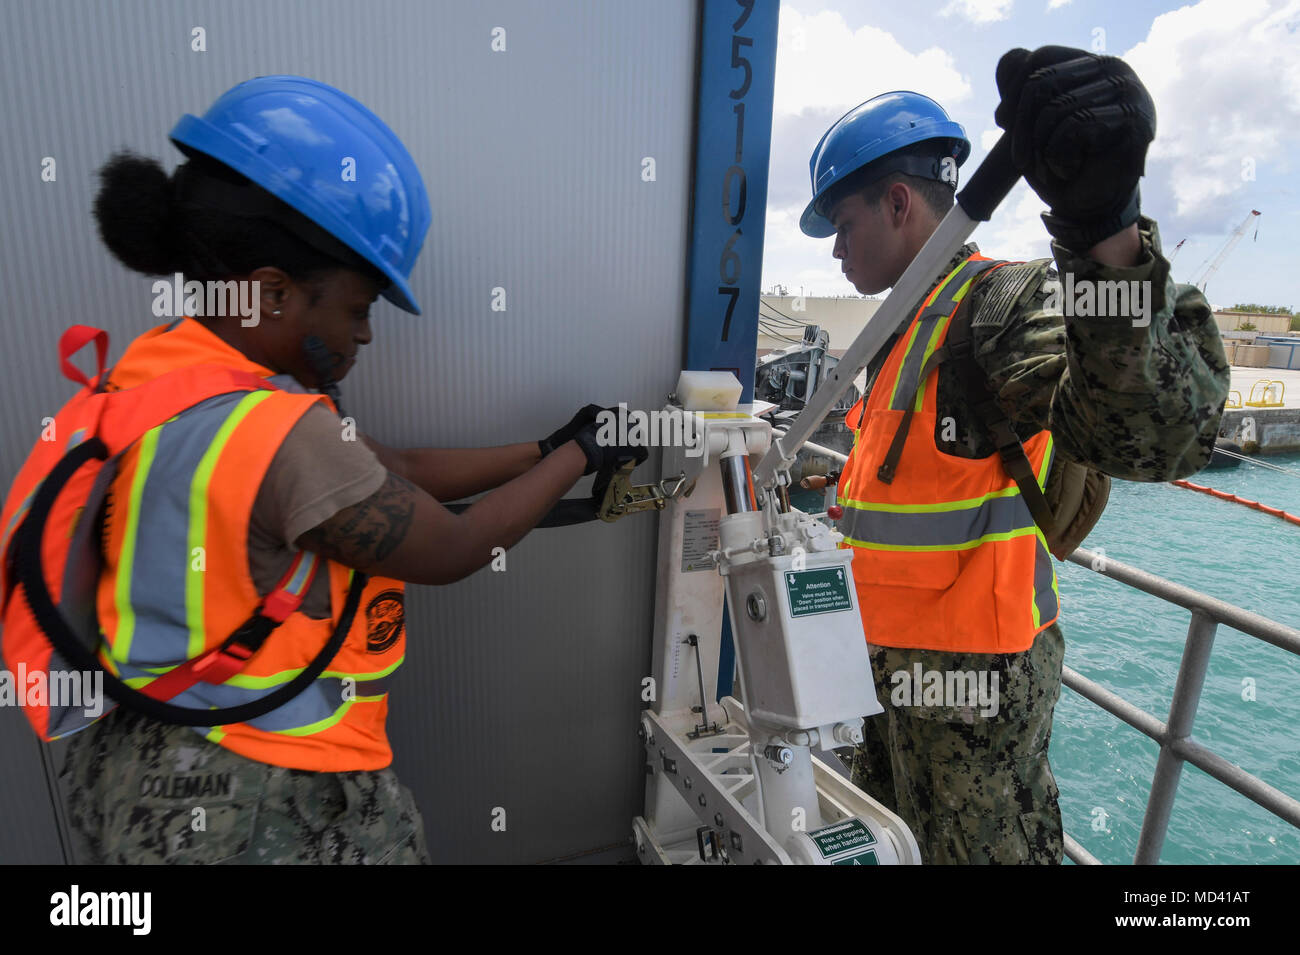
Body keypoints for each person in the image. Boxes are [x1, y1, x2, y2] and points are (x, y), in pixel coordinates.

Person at [0, 75, 644, 864]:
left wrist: (547, 448)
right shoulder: (276, 428)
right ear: (273, 295)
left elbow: (391, 468)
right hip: (262, 796)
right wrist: (588, 452)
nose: (365, 337)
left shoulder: (152, 383)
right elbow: (451, 545)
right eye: (360, 308)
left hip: (135, 771)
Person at [798, 48, 1229, 863]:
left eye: (843, 225)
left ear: (897, 203)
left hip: (970, 713)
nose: (835, 251)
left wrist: (1105, 232)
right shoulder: (897, 338)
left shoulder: (992, 307)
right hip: (885, 690)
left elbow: (1166, 423)